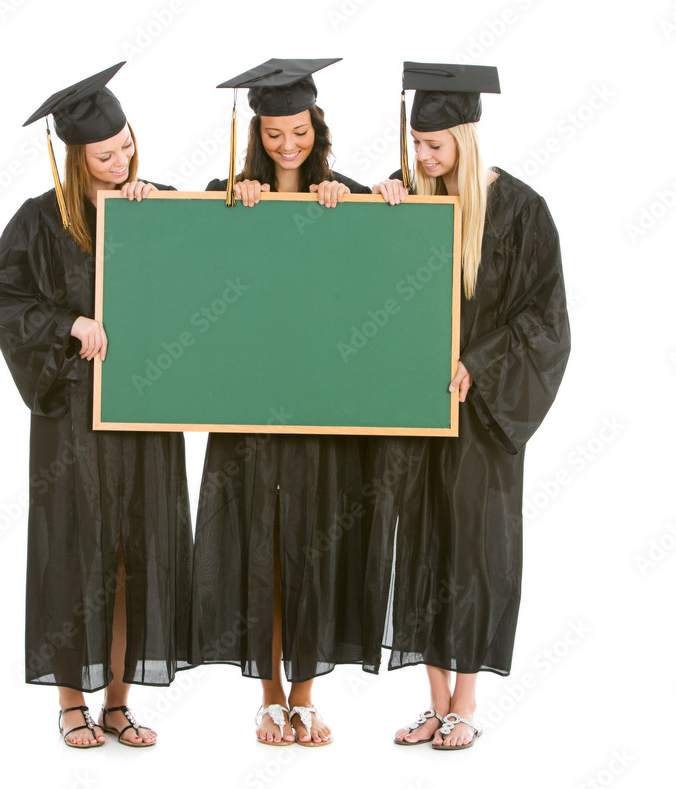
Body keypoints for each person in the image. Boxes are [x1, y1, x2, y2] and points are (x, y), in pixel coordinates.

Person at [0, 63, 192, 749]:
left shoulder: (152, 206)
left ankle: (119, 701)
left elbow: (214, 272)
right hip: (73, 413)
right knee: (78, 549)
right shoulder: (41, 221)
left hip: (146, 410)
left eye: (126, 142)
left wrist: (167, 218)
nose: (121, 159)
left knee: (139, 551)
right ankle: (72, 700)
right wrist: (68, 323)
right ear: (74, 156)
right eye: (105, 153)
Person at [364, 62, 570, 750]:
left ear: (464, 137)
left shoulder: (521, 210)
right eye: (416, 145)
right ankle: (433, 700)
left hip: (480, 413)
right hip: (416, 410)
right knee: (422, 544)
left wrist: (478, 365)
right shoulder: (414, 204)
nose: (421, 156)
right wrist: (381, 207)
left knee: (475, 549)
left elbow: (546, 321)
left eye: (433, 145)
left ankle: (467, 700)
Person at [191, 58, 370, 747]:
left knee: (312, 548)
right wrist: (232, 209)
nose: (286, 145)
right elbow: (182, 255)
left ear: (315, 127)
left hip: (320, 410)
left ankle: (305, 696)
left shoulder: (340, 192)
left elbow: (390, 246)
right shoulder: (229, 195)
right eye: (273, 134)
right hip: (248, 408)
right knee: (260, 544)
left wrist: (376, 194)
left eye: (297, 131)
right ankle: (268, 697)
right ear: (257, 133)